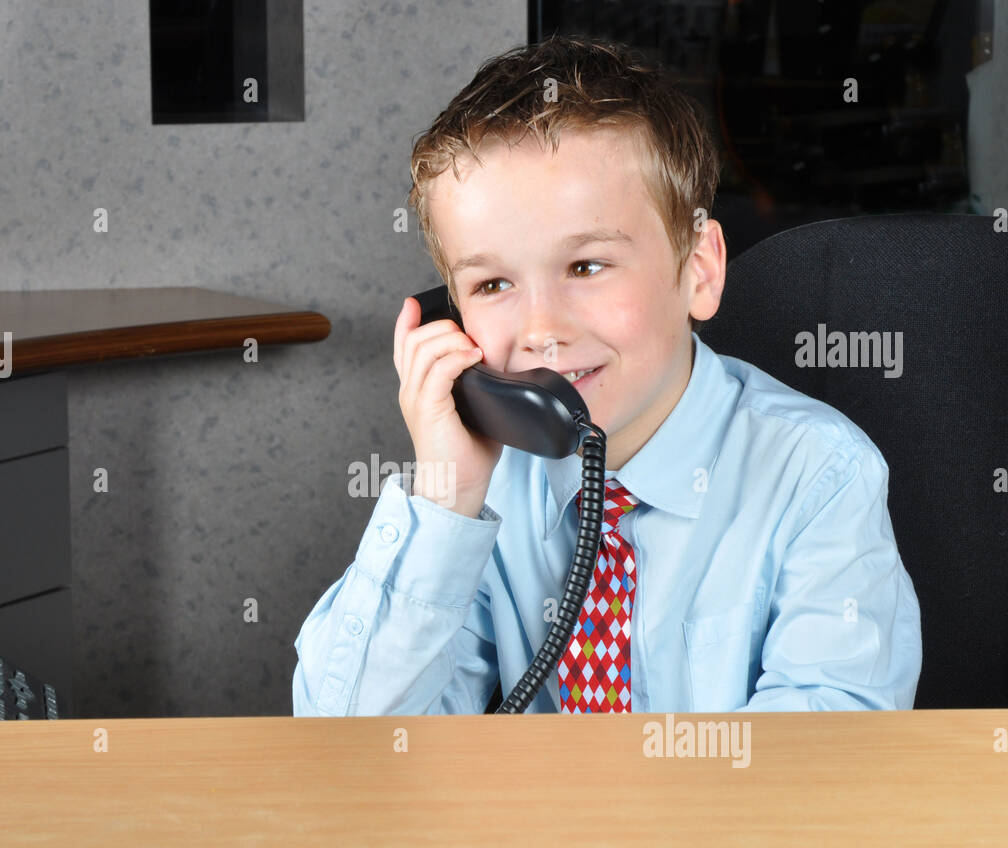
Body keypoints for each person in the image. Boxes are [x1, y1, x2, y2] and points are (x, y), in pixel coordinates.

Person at [293, 36, 921, 715]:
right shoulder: (487, 489)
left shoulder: (817, 475)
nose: (541, 328)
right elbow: (351, 744)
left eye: (586, 267)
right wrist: (446, 502)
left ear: (700, 271)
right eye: (494, 282)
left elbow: (829, 751)